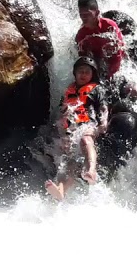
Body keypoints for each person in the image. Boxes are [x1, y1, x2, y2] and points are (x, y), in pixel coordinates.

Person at [45, 56, 108, 201]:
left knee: (85, 140)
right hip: (71, 130)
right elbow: (61, 113)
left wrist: (102, 125)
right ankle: (61, 190)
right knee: (69, 163)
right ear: (75, 74)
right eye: (80, 71)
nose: (83, 74)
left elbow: (104, 107)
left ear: (92, 75)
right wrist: (63, 113)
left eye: (87, 72)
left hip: (90, 127)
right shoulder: (69, 90)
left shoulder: (96, 89)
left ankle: (91, 171)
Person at [75, 0, 127, 79]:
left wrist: (112, 75)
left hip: (117, 65)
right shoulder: (81, 34)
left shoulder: (109, 26)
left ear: (97, 13)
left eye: (87, 14)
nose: (83, 18)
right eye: (81, 14)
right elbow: (83, 61)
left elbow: (119, 51)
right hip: (98, 63)